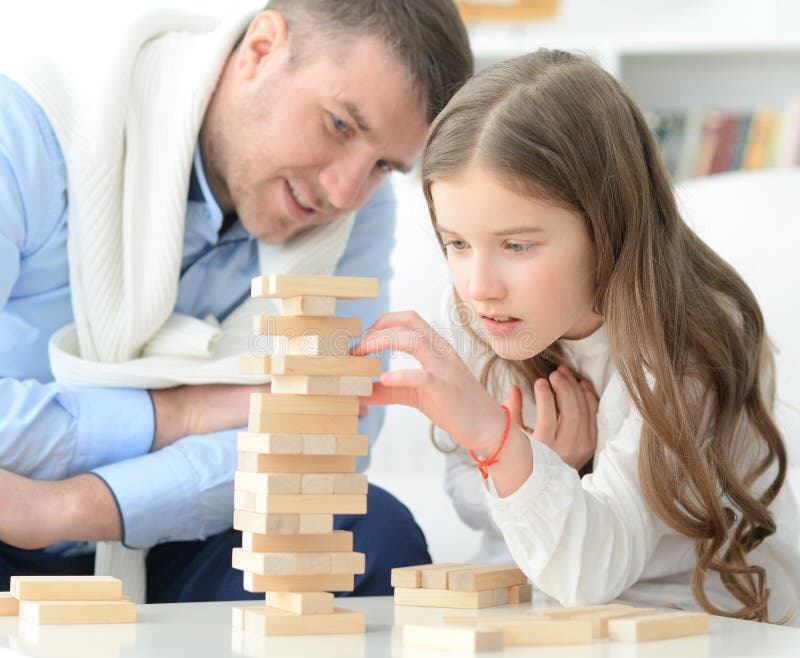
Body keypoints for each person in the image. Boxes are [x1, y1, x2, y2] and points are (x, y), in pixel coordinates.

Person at [0, 0, 472, 601]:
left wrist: (68, 507)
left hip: (156, 530)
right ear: (260, 49)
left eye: (383, 164)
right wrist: (179, 414)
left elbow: (324, 440)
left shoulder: (356, 210)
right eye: (339, 125)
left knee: (372, 539)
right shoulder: (28, 129)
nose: (345, 191)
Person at [352, 50, 800, 624]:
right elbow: (472, 499)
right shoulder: (473, 316)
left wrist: (501, 442)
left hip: (691, 616)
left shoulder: (686, 342)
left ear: (607, 223)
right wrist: (544, 463)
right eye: (457, 244)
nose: (479, 286)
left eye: (517, 246)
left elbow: (590, 575)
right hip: (537, 601)